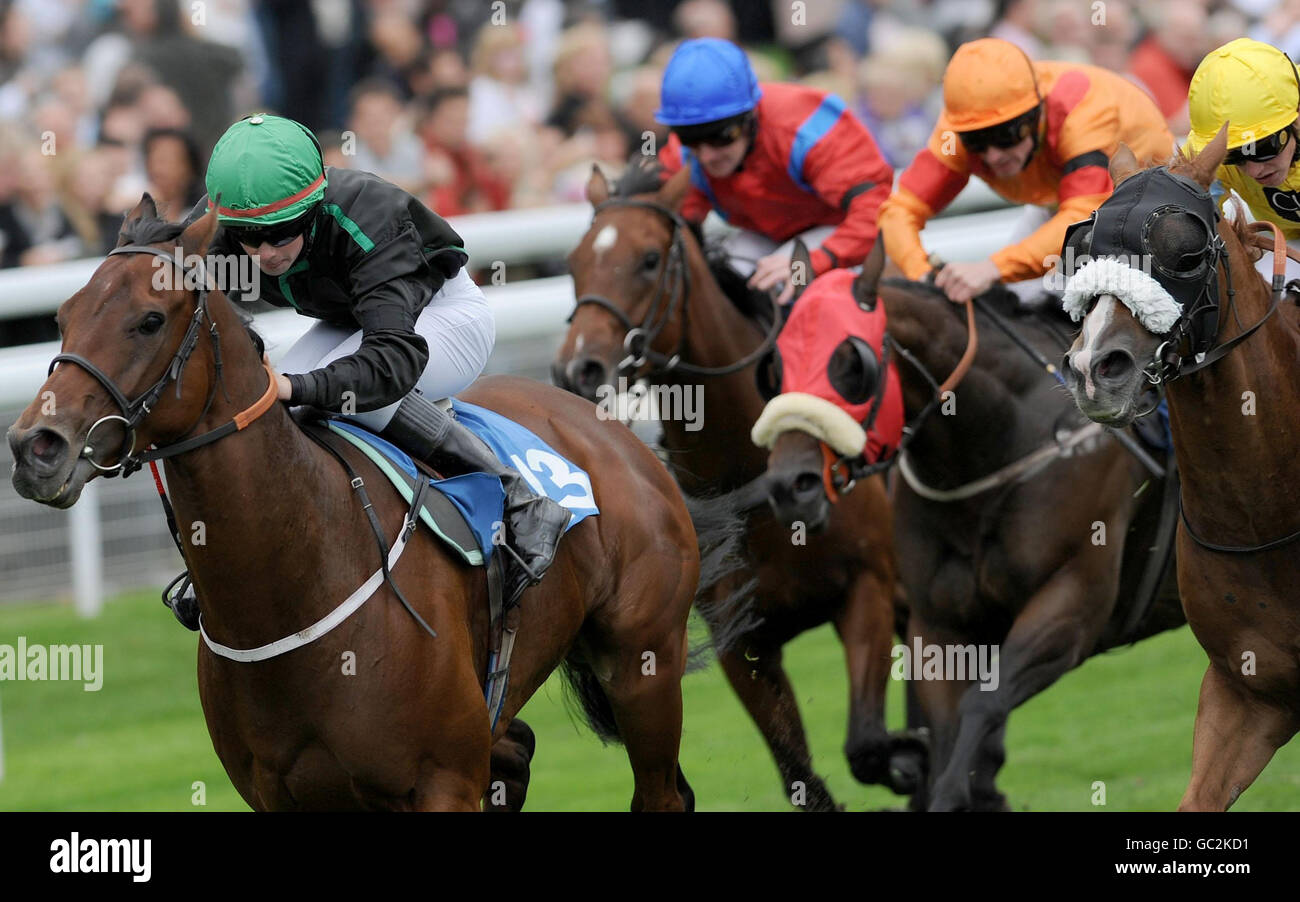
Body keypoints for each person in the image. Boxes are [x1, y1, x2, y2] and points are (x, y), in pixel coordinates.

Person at [163, 114, 569, 629]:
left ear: (312, 208)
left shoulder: (372, 217)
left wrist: (298, 385)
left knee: (327, 395)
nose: (264, 253)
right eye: (248, 236)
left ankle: (518, 495)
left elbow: (393, 360)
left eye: (281, 233)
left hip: (441, 319)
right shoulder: (219, 226)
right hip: (349, 322)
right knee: (271, 413)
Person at [878, 37, 1175, 304]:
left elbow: (1084, 217)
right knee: (1014, 303)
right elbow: (900, 208)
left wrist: (991, 268)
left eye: (1008, 134)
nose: (994, 155)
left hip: (1145, 203)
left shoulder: (1083, 113)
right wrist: (921, 272)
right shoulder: (957, 131)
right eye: (977, 141)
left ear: (1038, 114)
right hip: (1063, 203)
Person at [655, 37, 894, 306]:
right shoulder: (683, 152)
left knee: (786, 286)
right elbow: (671, 219)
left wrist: (816, 261)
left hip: (838, 230)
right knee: (723, 287)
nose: (707, 155)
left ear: (751, 116)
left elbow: (878, 213)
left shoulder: (809, 130)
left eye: (722, 136)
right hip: (765, 237)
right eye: (691, 139)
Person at [1185, 38, 1300, 283]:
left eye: (1263, 148)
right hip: (1283, 237)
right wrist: (1232, 241)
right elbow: (1186, 215)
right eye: (1233, 156)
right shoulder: (1209, 152)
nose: (1254, 169)